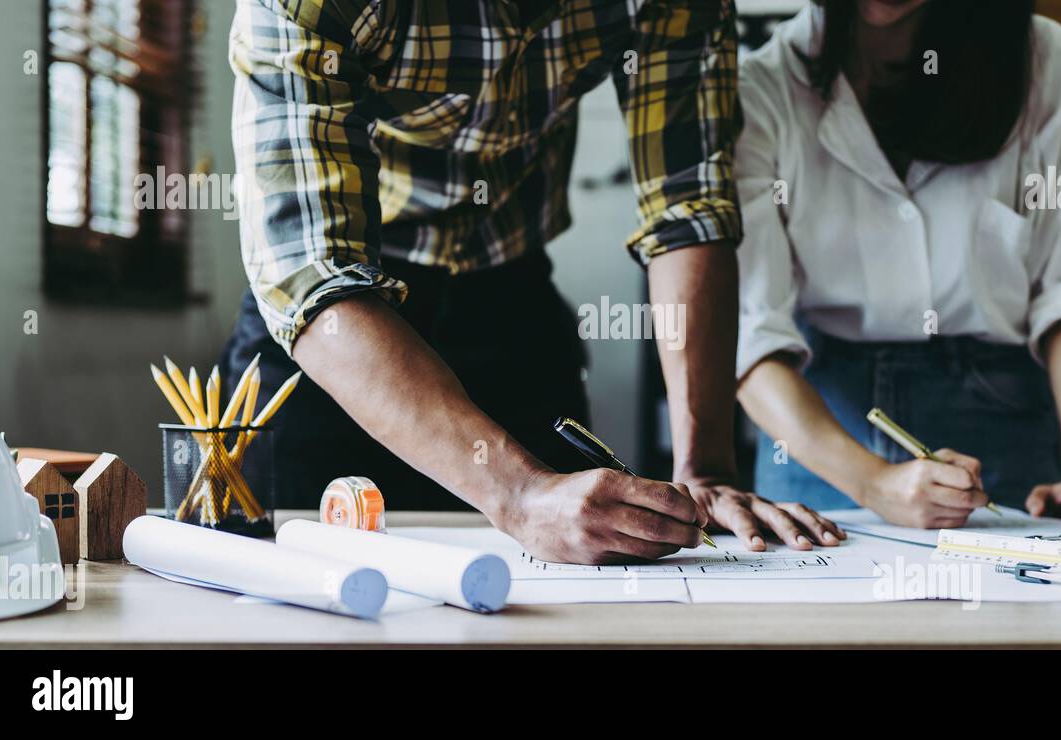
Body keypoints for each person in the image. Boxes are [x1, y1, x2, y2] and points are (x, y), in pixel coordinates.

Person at [220, 0, 845, 564]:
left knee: (568, 589)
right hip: (342, 335)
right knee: (294, 589)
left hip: (509, 302)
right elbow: (314, 271)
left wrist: (703, 469)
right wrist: (519, 493)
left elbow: (689, 207)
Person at [733, 0, 1061, 528]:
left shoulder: (1047, 60)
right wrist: (874, 483)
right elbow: (751, 335)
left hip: (998, 422)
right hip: (817, 434)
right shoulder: (760, 87)